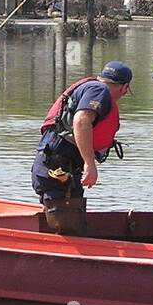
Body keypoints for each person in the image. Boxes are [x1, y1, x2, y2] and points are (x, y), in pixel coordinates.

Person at [32, 61, 133, 234]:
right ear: (124, 88)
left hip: (53, 165)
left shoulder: (92, 88)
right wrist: (89, 164)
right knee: (68, 229)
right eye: (125, 92)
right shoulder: (100, 91)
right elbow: (81, 121)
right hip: (58, 168)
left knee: (63, 223)